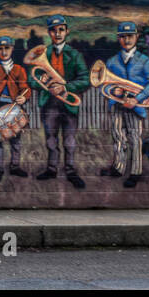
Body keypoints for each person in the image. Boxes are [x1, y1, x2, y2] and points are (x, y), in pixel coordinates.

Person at [99, 21, 149, 188]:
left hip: (136, 106)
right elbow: (103, 86)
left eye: (130, 36)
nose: (127, 39)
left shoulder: (145, 61)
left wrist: (138, 98)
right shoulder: (112, 61)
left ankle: (135, 172)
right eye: (123, 36)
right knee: (118, 137)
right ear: (118, 39)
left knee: (135, 139)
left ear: (137, 37)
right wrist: (114, 92)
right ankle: (118, 168)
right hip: (117, 105)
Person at [33, 14, 89, 189]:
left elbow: (85, 79)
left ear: (67, 31)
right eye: (54, 31)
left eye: (61, 30)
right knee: (50, 139)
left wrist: (66, 88)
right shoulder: (43, 54)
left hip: (68, 104)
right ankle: (51, 168)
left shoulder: (75, 55)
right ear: (49, 33)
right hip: (50, 103)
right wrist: (47, 86)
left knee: (69, 140)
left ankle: (70, 170)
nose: (57, 34)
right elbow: (31, 78)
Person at [0, 35, 29, 181]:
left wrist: (24, 97)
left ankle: (15, 166)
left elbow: (25, 88)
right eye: (0, 49)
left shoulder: (19, 69)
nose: (4, 52)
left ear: (12, 49)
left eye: (7, 48)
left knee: (15, 138)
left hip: (14, 107)